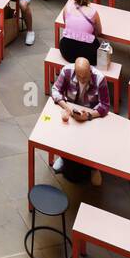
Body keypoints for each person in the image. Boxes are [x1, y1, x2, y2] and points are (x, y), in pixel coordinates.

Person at [51, 57, 110, 186]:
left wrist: (88, 116)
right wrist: (68, 108)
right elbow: (55, 91)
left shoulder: (99, 78)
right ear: (75, 72)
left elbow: (105, 106)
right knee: (62, 129)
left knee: (92, 140)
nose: (82, 80)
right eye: (79, 77)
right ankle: (62, 156)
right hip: (72, 111)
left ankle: (94, 166)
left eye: (85, 77)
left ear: (90, 70)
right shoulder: (66, 71)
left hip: (90, 116)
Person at [58, 0, 102, 65]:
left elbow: (66, 24)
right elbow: (99, 32)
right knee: (97, 47)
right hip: (87, 55)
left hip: (67, 51)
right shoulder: (93, 12)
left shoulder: (67, 7)